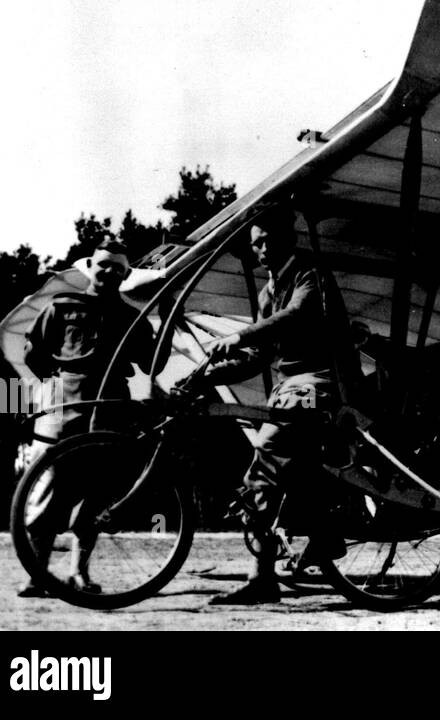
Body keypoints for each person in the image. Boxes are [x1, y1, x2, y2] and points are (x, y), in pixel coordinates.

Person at [184, 206, 356, 604]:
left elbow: (299, 315)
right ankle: (324, 532)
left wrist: (240, 335)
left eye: (266, 239)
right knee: (277, 469)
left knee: (266, 456)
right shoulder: (267, 292)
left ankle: (264, 577)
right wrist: (211, 374)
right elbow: (259, 357)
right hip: (289, 390)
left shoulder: (309, 272)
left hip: (322, 383)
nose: (260, 248)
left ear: (288, 237)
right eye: (255, 243)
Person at [20, 238, 154, 597]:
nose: (109, 271)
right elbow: (35, 351)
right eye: (104, 264)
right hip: (64, 404)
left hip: (110, 405)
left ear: (125, 275)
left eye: (118, 268)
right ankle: (37, 573)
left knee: (97, 493)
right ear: (91, 267)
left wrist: (164, 314)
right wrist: (59, 383)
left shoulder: (132, 315)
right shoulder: (62, 306)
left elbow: (151, 362)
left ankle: (78, 573)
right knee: (47, 488)